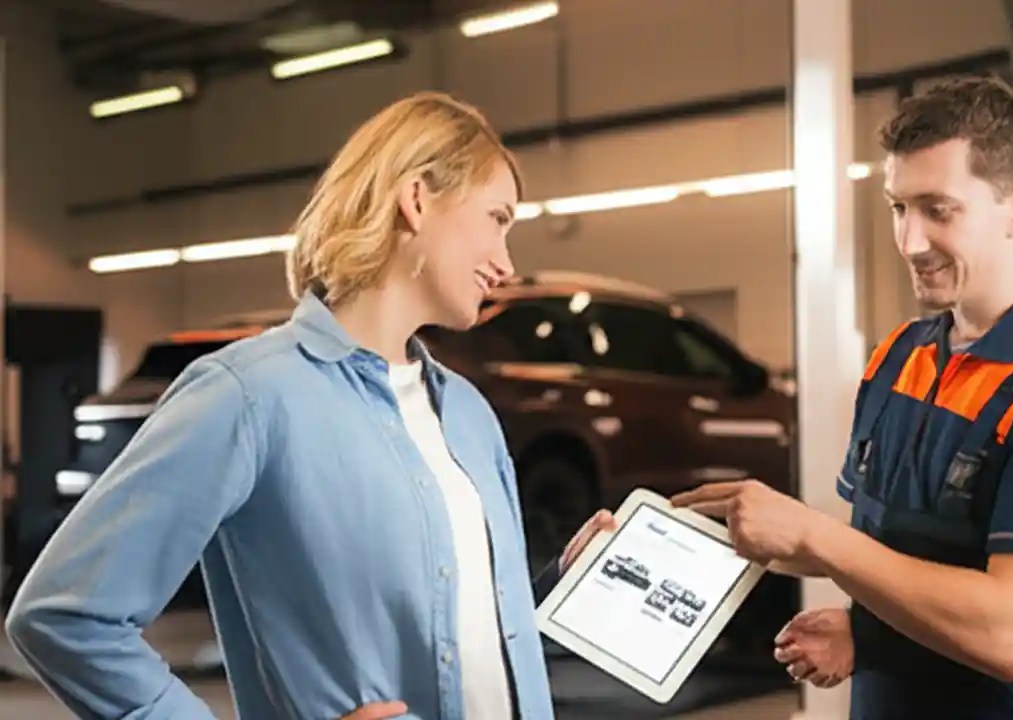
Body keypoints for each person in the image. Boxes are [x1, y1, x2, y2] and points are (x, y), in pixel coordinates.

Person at [6, 91, 614, 720]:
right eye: (497, 219)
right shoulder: (249, 395)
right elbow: (65, 616)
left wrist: (553, 590)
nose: (506, 263)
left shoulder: (469, 414)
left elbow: (458, 639)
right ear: (417, 198)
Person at [672, 76, 1013, 719]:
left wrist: (814, 537)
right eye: (899, 207)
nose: (910, 241)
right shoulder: (901, 357)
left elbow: (1009, 634)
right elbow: (896, 552)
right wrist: (866, 631)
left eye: (938, 209)